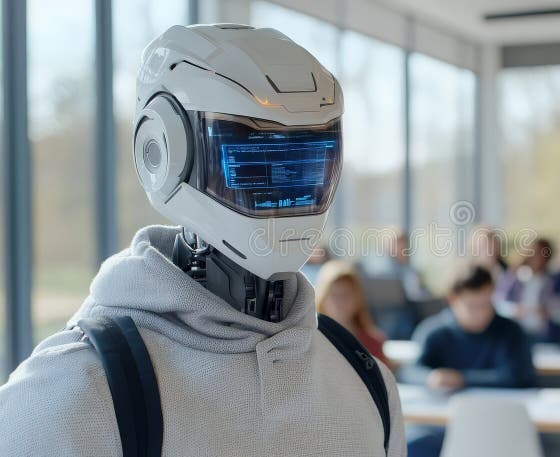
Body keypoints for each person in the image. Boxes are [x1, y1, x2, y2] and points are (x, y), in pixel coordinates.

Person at [0, 25, 405, 456]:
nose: (285, 193)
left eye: (306, 161)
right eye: (253, 161)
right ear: (161, 150)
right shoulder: (71, 396)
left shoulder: (367, 382)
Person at [403, 264, 535, 457]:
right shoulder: (434, 331)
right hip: (442, 425)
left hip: (498, 423)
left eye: (487, 304)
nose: (481, 313)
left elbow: (516, 376)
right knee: (412, 443)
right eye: (472, 306)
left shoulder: (510, 332)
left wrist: (461, 379)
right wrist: (431, 377)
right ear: (452, 300)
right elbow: (410, 371)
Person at [316, 260, 390, 366]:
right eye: (334, 295)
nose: (340, 302)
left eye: (346, 295)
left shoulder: (373, 342)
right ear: (322, 298)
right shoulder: (310, 340)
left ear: (358, 298)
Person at [495, 238, 560, 343]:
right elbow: (498, 304)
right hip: (515, 333)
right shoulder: (515, 276)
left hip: (543, 335)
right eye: (534, 254)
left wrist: (548, 312)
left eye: (542, 254)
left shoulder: (553, 281)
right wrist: (514, 310)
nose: (537, 258)